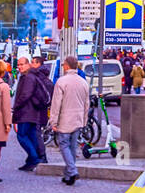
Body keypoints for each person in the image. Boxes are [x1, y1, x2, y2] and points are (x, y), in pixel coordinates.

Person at [49, 55, 89, 185]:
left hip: (65, 119)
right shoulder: (83, 82)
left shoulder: (62, 81)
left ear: (66, 66)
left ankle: (72, 170)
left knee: (64, 145)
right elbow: (86, 104)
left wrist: (53, 121)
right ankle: (68, 175)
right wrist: (84, 120)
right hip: (77, 118)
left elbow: (56, 104)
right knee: (72, 146)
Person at [12, 55, 53, 170]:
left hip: (26, 112)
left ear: (28, 64)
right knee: (31, 136)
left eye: (22, 64)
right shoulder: (29, 76)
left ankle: (34, 158)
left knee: (22, 136)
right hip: (32, 112)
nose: (19, 67)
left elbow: (26, 94)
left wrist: (16, 106)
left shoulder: (29, 77)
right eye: (18, 65)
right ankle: (32, 160)